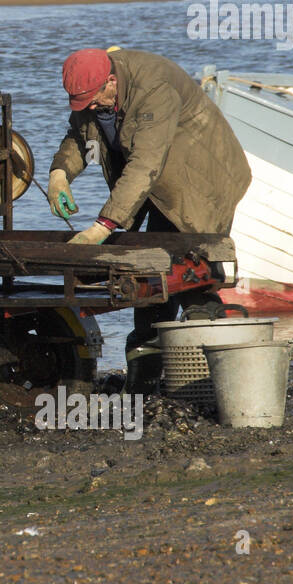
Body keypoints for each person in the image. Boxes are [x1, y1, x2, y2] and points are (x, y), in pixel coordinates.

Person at [46, 47, 251, 392]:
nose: (91, 109)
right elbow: (79, 136)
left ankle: (209, 386)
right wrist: (59, 174)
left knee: (192, 277)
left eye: (94, 101)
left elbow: (145, 165)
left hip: (199, 184)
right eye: (83, 104)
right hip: (156, 188)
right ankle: (145, 384)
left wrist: (103, 226)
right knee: (149, 286)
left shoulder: (154, 89)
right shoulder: (94, 94)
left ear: (111, 81)